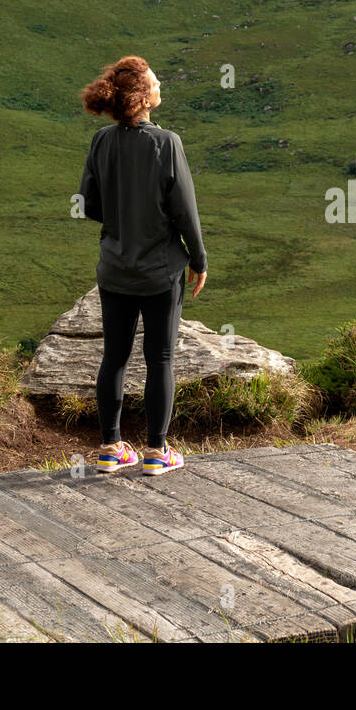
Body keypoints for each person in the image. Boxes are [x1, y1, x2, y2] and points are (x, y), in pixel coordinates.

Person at [77, 55, 207, 476]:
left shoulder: (101, 142)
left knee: (113, 357)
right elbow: (185, 211)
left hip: (114, 269)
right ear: (142, 98)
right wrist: (199, 259)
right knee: (161, 357)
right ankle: (156, 452)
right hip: (161, 271)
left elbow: (89, 205)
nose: (160, 86)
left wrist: (123, 218)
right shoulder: (167, 143)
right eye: (154, 83)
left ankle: (111, 449)